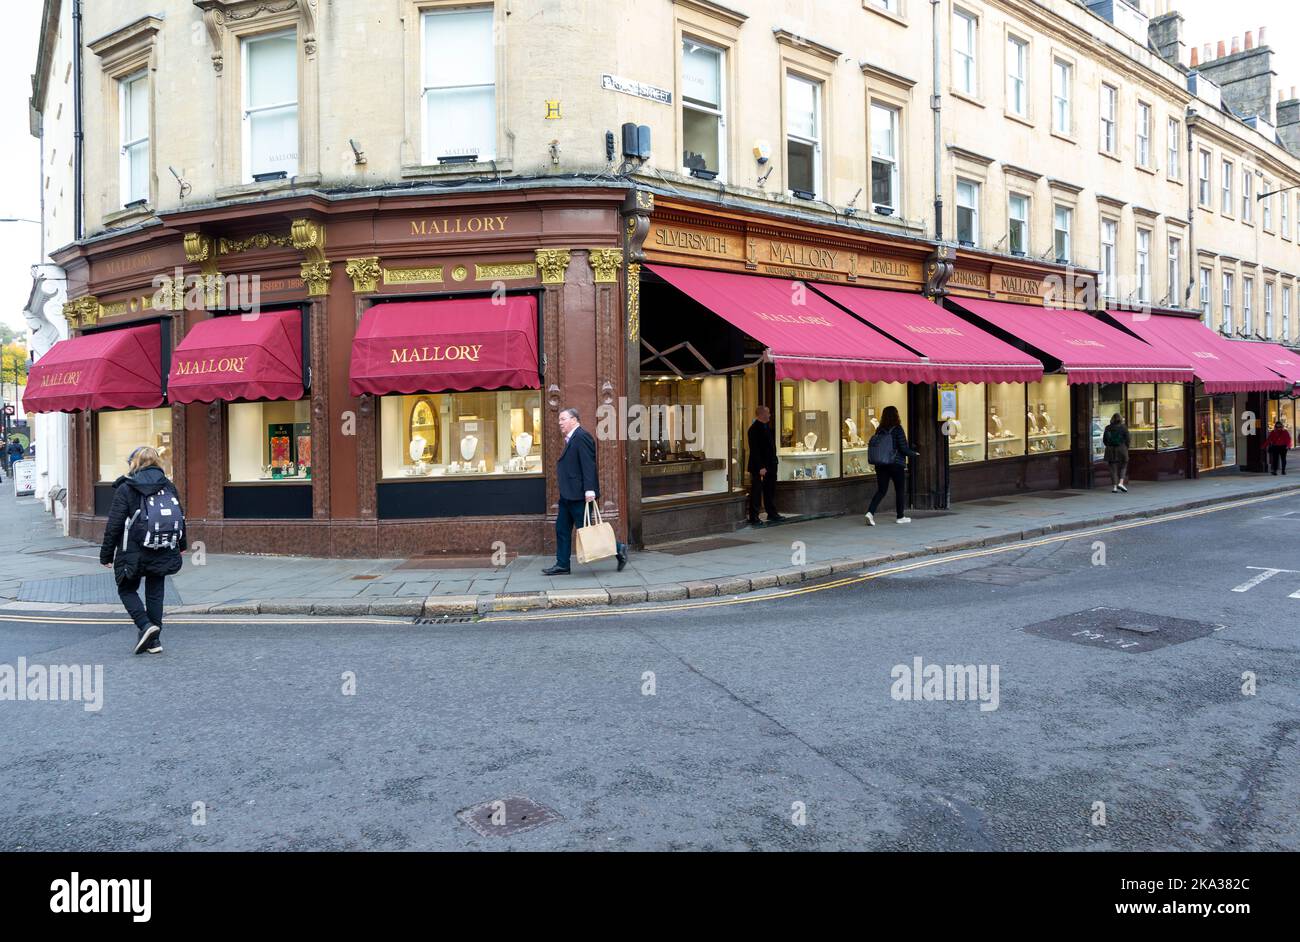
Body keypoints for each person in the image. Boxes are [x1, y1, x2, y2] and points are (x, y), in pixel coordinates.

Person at [99, 446, 186, 654]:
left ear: (134, 463)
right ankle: (154, 642)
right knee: (155, 592)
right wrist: (182, 545)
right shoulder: (168, 485)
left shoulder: (126, 488)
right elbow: (180, 517)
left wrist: (106, 554)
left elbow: (114, 525)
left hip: (133, 550)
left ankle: (146, 626)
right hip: (163, 545)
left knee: (126, 588)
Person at [542, 407, 628, 575]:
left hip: (580, 495)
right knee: (561, 529)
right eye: (559, 419)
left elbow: (588, 466)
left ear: (574, 420)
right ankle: (562, 564)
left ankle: (619, 549)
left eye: (563, 419)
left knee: (588, 529)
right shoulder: (571, 438)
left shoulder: (582, 437)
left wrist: (590, 490)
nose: (559, 423)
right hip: (568, 495)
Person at [864, 405, 920, 525]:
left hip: (881, 464)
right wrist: (914, 453)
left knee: (881, 490)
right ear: (896, 415)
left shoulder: (879, 429)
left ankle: (870, 513)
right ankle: (900, 517)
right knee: (899, 490)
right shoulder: (897, 429)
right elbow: (903, 448)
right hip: (896, 464)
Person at [746, 405, 784, 526]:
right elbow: (755, 450)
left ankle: (771, 513)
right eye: (768, 413)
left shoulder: (766, 427)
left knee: (770, 490)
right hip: (760, 467)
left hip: (771, 465)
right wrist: (760, 467)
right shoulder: (754, 429)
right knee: (757, 491)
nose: (769, 415)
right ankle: (754, 516)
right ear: (761, 414)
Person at [1103, 413, 1130, 493]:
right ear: (1120, 419)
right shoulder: (1123, 427)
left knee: (1113, 469)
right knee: (1124, 466)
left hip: (1110, 450)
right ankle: (1121, 483)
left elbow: (1104, 440)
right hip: (1121, 449)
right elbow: (1128, 439)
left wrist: (1109, 445)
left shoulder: (1107, 428)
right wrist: (1126, 447)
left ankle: (1114, 487)